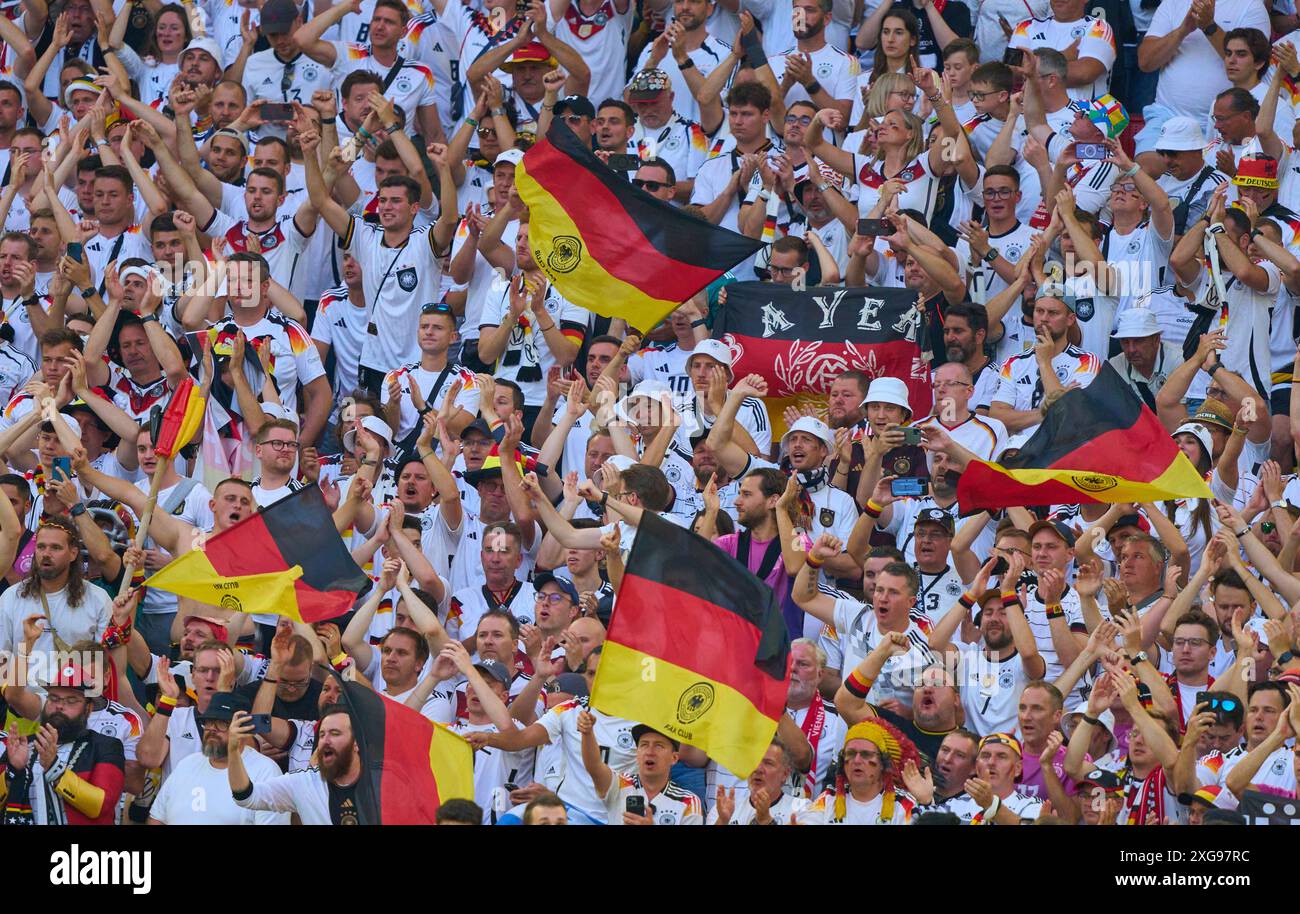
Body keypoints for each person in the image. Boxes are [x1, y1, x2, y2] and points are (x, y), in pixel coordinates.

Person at [148, 691, 289, 825]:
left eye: (222, 724)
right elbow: (157, 817)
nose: (212, 729)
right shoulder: (187, 764)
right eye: (208, 722)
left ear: (244, 729)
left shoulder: (266, 771)